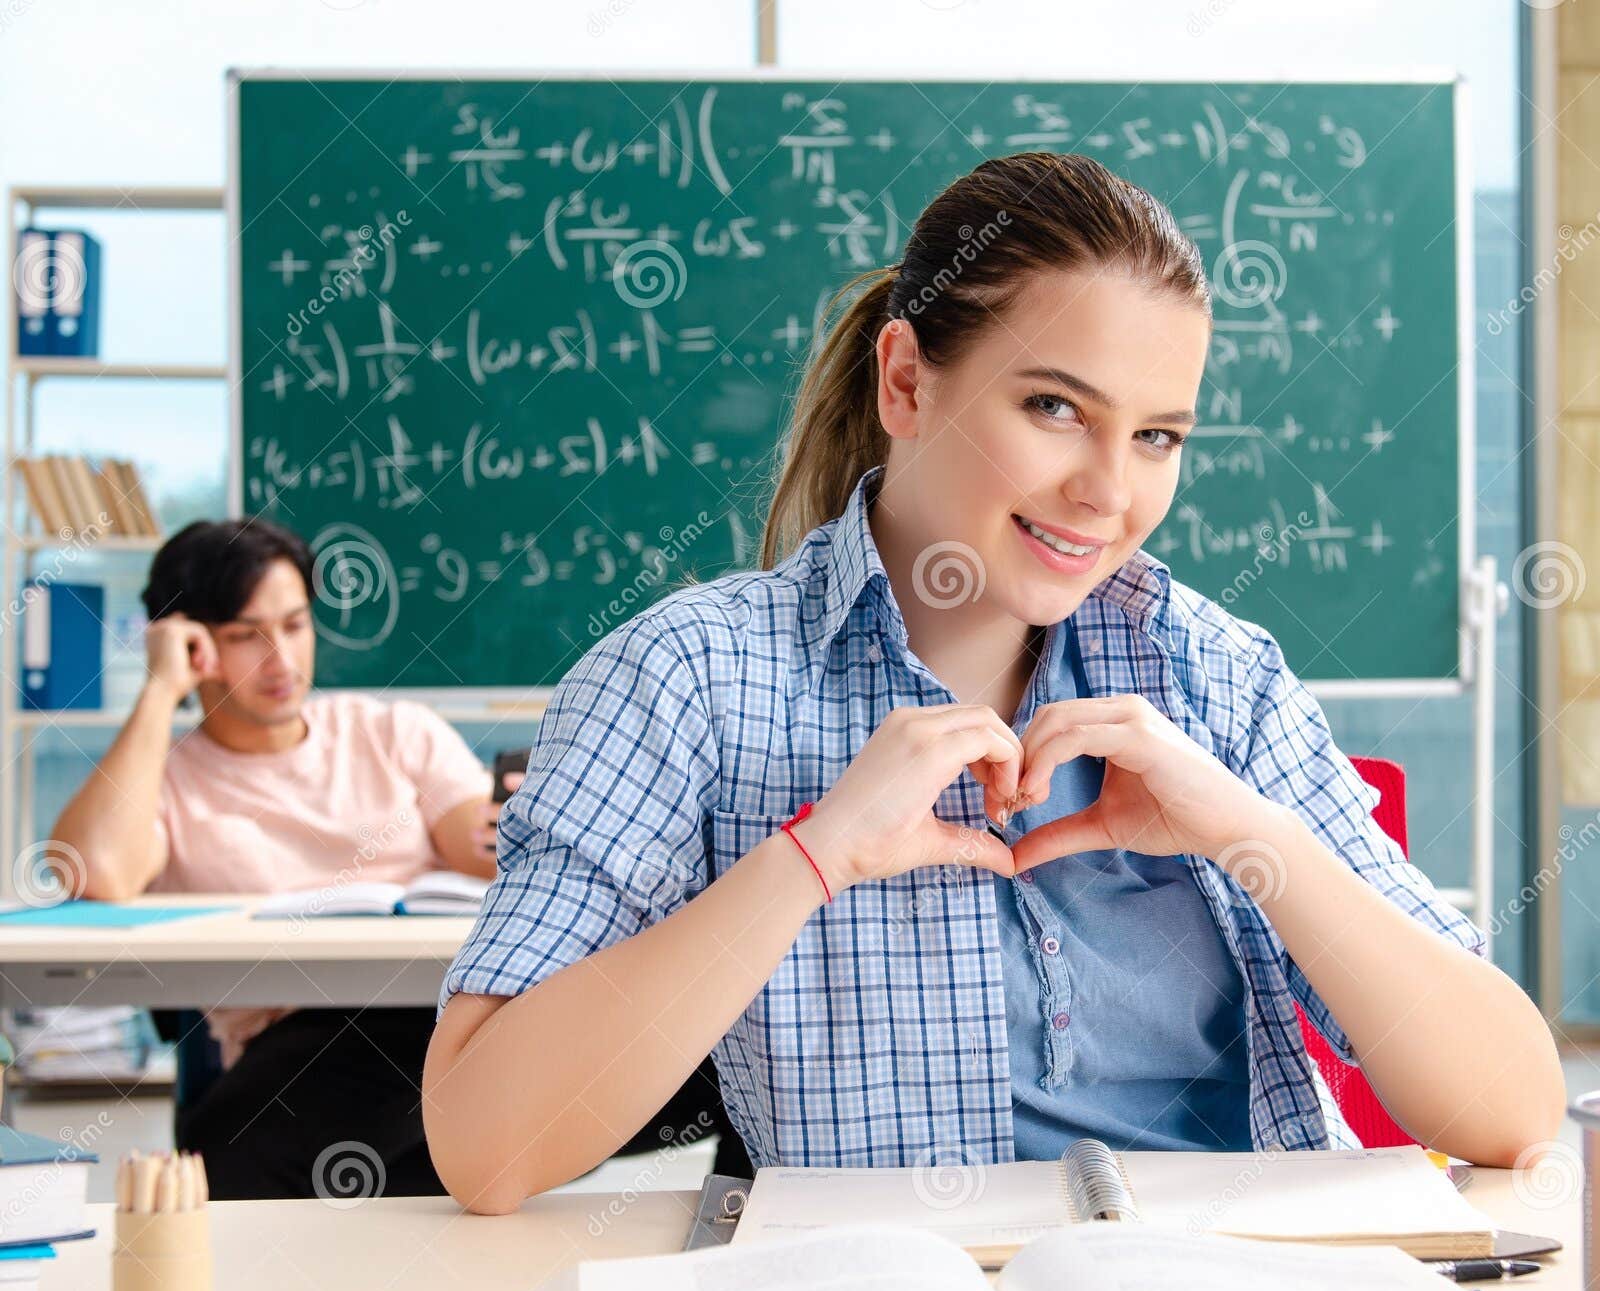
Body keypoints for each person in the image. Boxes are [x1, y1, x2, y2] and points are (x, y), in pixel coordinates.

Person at [424, 152, 1564, 1214]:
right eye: (1055, 408)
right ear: (906, 383)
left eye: (1158, 436)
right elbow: (485, 1147)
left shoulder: (1221, 679)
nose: (1107, 491)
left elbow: (1512, 1110)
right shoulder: (688, 679)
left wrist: (1243, 831)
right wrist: (813, 857)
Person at [48, 518, 505, 1198]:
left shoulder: (393, 731)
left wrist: (528, 819)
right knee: (231, 1156)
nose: (281, 659)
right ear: (192, 643)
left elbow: (484, 848)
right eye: (245, 636)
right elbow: (94, 871)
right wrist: (159, 690)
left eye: (294, 626)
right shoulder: (162, 781)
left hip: (440, 1003)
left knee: (677, 1048)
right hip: (300, 1044)